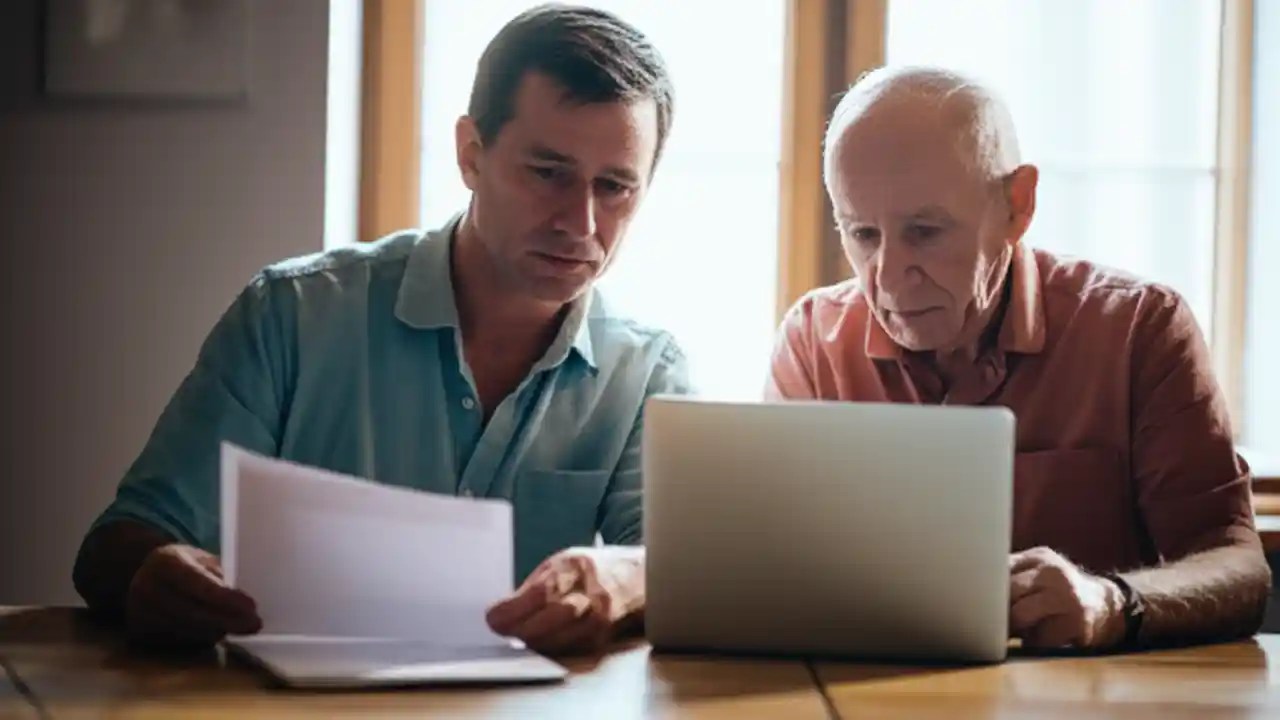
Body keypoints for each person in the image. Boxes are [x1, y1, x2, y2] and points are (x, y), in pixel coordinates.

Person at [73, 4, 687, 656]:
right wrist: (151, 572)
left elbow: (680, 568)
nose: (582, 224)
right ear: (470, 155)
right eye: (548, 172)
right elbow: (118, 543)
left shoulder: (645, 370)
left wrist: (625, 575)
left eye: (615, 186)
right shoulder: (292, 316)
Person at [767, 65, 1271, 650]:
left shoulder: (1138, 329)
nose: (888, 277)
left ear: (1017, 205)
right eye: (862, 234)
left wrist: (1113, 603)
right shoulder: (813, 340)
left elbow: (1240, 571)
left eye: (925, 232)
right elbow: (775, 566)